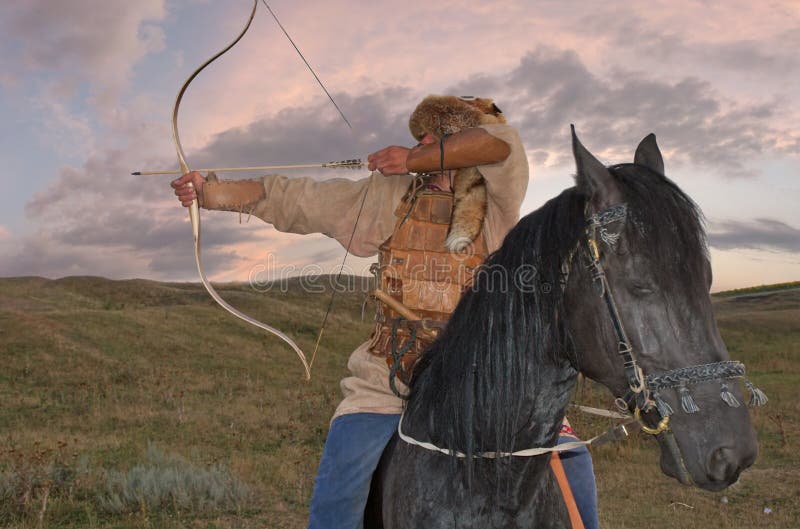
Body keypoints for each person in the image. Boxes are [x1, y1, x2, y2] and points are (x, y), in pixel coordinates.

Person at [171, 95, 598, 529]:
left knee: (572, 461)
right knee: (339, 491)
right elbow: (300, 198)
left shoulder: (497, 200)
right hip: (393, 376)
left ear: (457, 139)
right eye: (421, 136)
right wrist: (211, 191)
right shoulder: (391, 196)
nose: (422, 140)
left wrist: (415, 157)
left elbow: (501, 143)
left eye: (434, 135)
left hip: (489, 375)